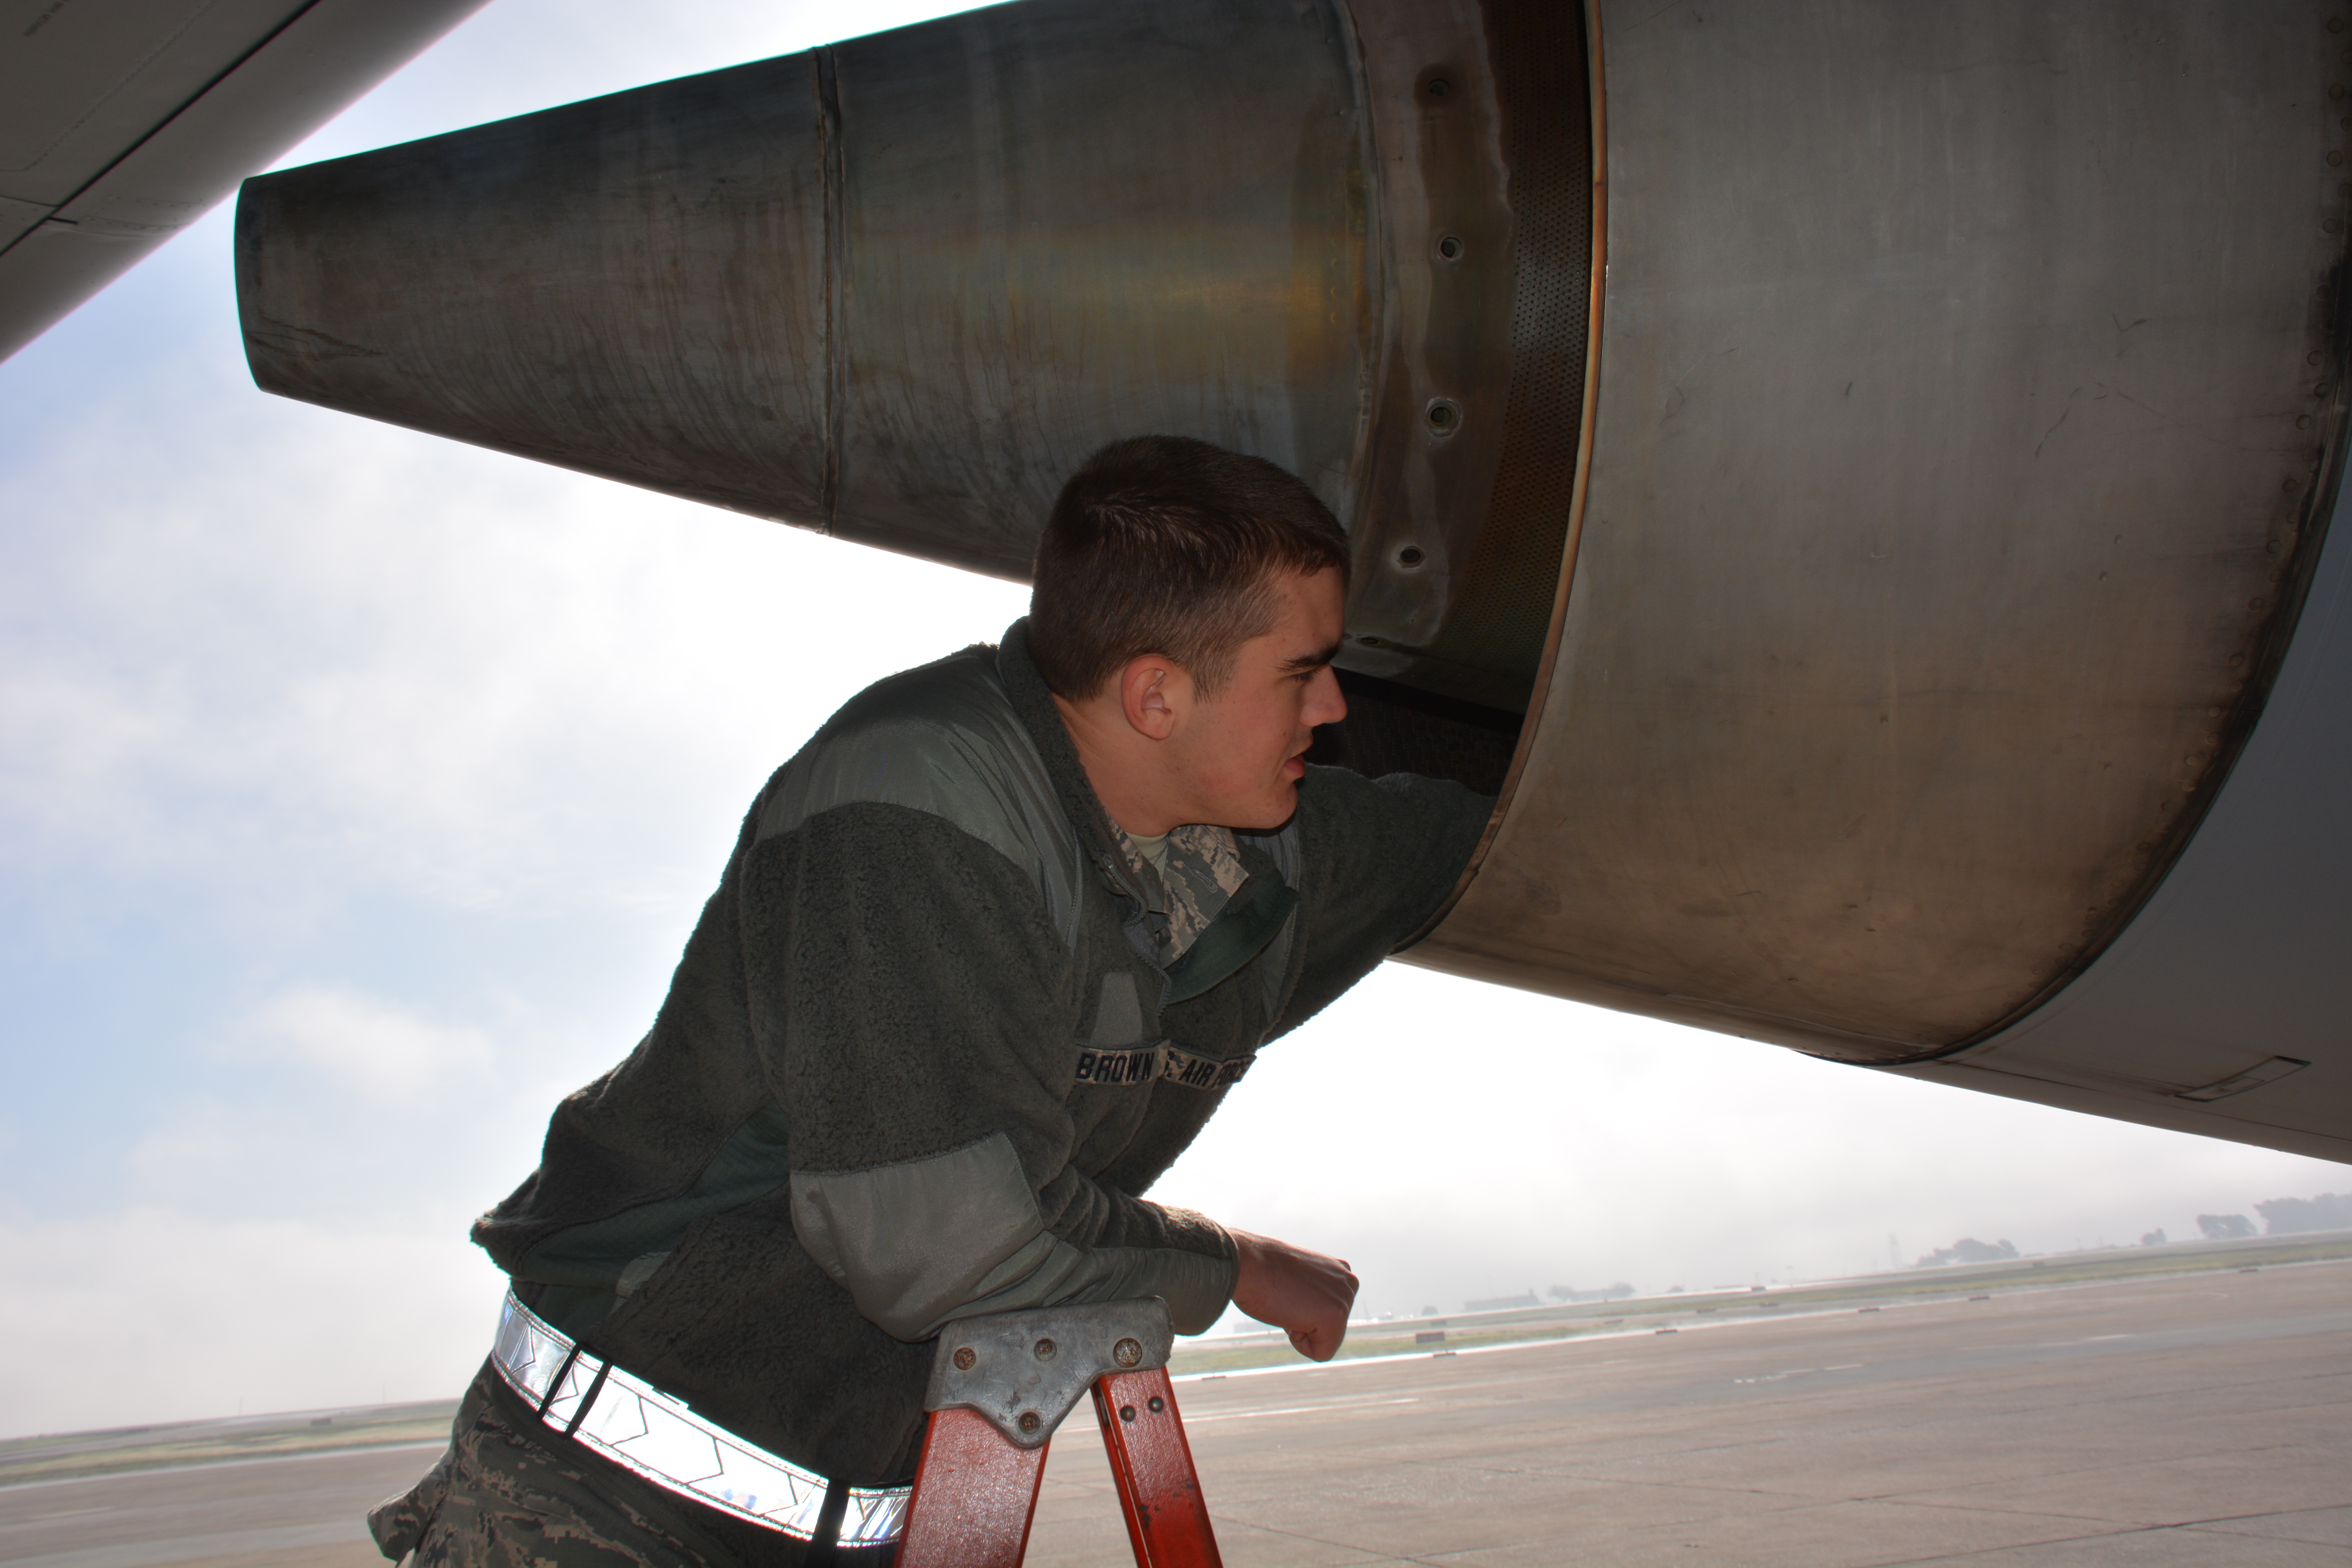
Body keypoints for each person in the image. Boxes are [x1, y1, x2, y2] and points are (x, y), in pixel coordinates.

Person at [369, 436, 1494, 1566]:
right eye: (1301, 674)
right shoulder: (912, 811)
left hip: (842, 1525)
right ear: (1158, 695)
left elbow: (1513, 822)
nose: (1336, 707)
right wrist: (1235, 1264)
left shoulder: (1254, 853)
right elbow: (943, 1251)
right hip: (601, 1513)